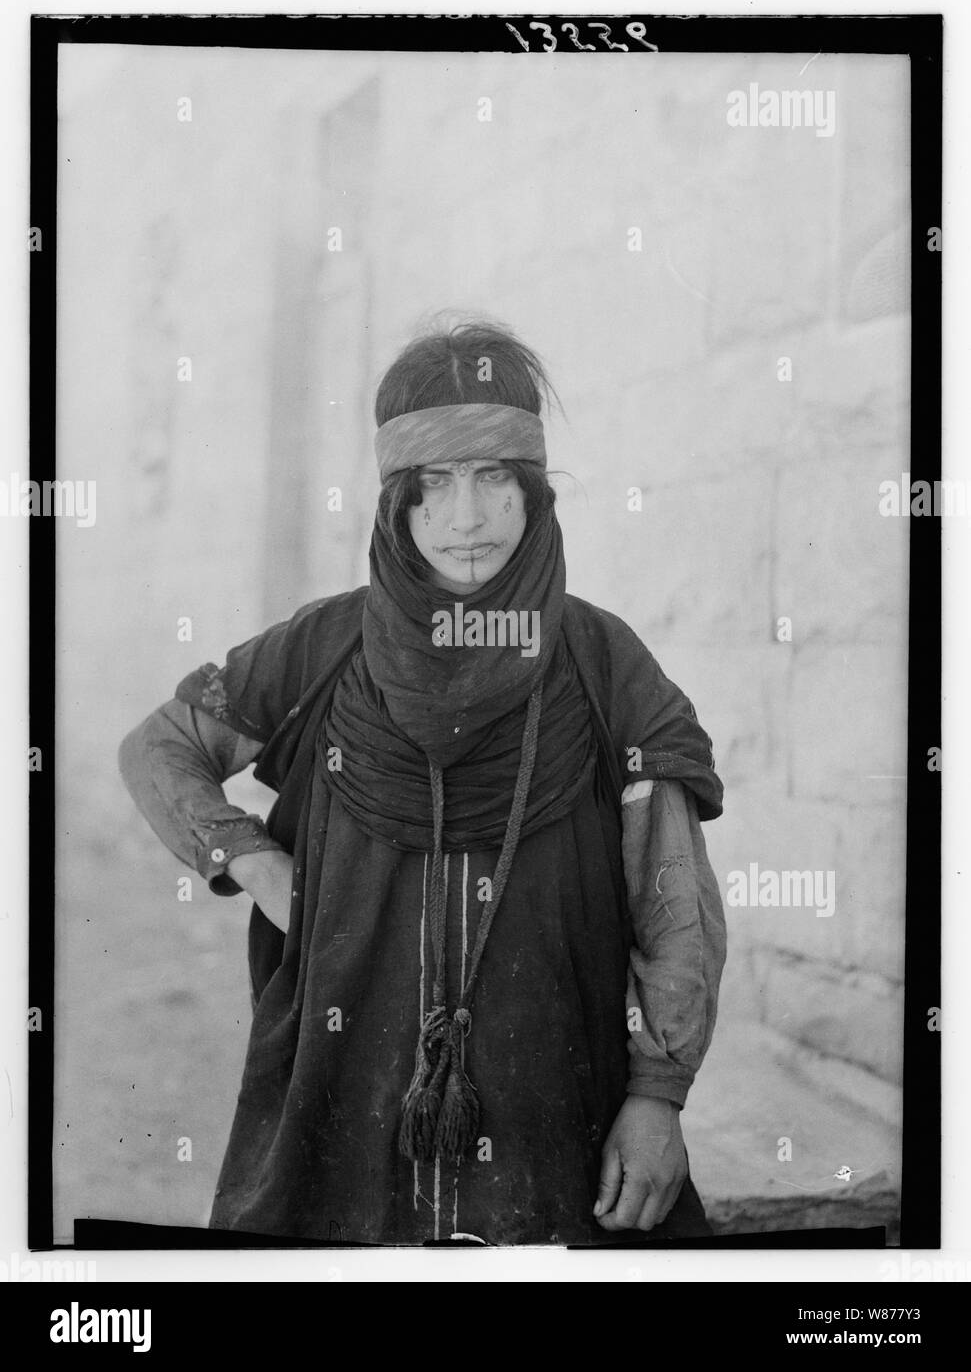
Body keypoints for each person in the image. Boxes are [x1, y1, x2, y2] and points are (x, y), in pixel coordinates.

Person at [119, 319, 727, 1246]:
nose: (466, 520)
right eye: (431, 487)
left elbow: (673, 901)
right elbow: (160, 747)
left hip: (551, 1105)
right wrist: (255, 863)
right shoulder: (320, 651)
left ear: (533, 496)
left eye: (493, 480)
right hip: (338, 1096)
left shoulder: (605, 665)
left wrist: (657, 1097)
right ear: (394, 507)